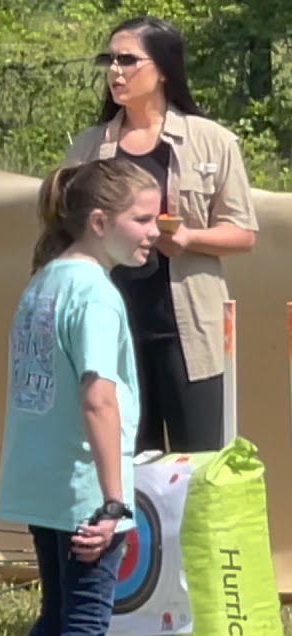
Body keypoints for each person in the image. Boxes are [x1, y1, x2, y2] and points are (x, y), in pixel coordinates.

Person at [0, 157, 160, 636]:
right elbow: (98, 397)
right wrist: (114, 501)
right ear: (98, 221)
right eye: (141, 220)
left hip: (43, 481)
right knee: (86, 621)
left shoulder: (45, 281)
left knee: (59, 613)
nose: (154, 232)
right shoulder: (94, 294)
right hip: (82, 484)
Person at [65, 16, 258, 454]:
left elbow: (244, 233)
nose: (115, 71)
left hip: (190, 332)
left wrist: (188, 238)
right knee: (126, 467)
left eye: (128, 60)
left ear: (164, 69)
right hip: (111, 326)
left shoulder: (212, 141)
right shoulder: (90, 147)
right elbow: (63, 228)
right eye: (109, 60)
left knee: (199, 466)